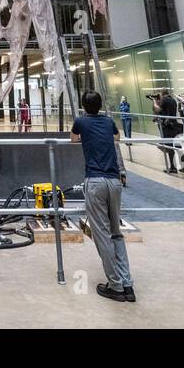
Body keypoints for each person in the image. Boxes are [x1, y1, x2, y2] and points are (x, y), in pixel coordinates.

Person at [70, 92, 134, 303]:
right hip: (114, 182)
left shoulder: (80, 121)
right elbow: (117, 137)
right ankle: (127, 284)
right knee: (116, 232)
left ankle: (115, 285)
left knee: (102, 234)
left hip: (95, 181)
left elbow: (73, 139)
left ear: (83, 106)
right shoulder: (108, 122)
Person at [153, 91, 184, 174]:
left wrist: (154, 102)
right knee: (178, 147)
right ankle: (183, 167)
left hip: (168, 128)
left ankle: (173, 167)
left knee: (170, 147)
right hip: (175, 126)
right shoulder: (173, 100)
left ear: (161, 94)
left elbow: (157, 109)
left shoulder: (164, 100)